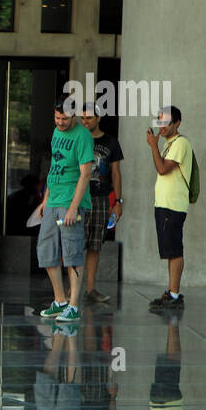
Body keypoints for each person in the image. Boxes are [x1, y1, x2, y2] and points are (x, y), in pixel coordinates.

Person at [35, 95, 94, 325]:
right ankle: (59, 300)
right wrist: (45, 199)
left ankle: (74, 305)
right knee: (47, 249)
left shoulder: (83, 136)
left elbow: (85, 173)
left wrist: (73, 208)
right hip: (53, 200)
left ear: (75, 115)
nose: (60, 122)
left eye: (64, 118)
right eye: (57, 117)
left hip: (71, 201)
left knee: (72, 252)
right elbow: (54, 166)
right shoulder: (56, 132)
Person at [146, 105, 194, 311]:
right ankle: (171, 292)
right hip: (164, 205)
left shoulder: (180, 143)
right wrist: (156, 146)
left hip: (173, 206)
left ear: (177, 123)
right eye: (159, 121)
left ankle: (175, 295)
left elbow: (163, 169)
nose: (161, 126)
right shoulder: (168, 143)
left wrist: (153, 146)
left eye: (166, 122)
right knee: (170, 249)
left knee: (174, 249)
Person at [80, 101, 124, 304]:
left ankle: (90, 289)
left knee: (95, 245)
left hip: (101, 198)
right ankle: (71, 290)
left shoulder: (111, 142)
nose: (85, 121)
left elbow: (116, 172)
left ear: (98, 118)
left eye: (89, 117)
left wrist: (118, 201)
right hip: (79, 197)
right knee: (75, 242)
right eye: (82, 118)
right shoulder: (78, 139)